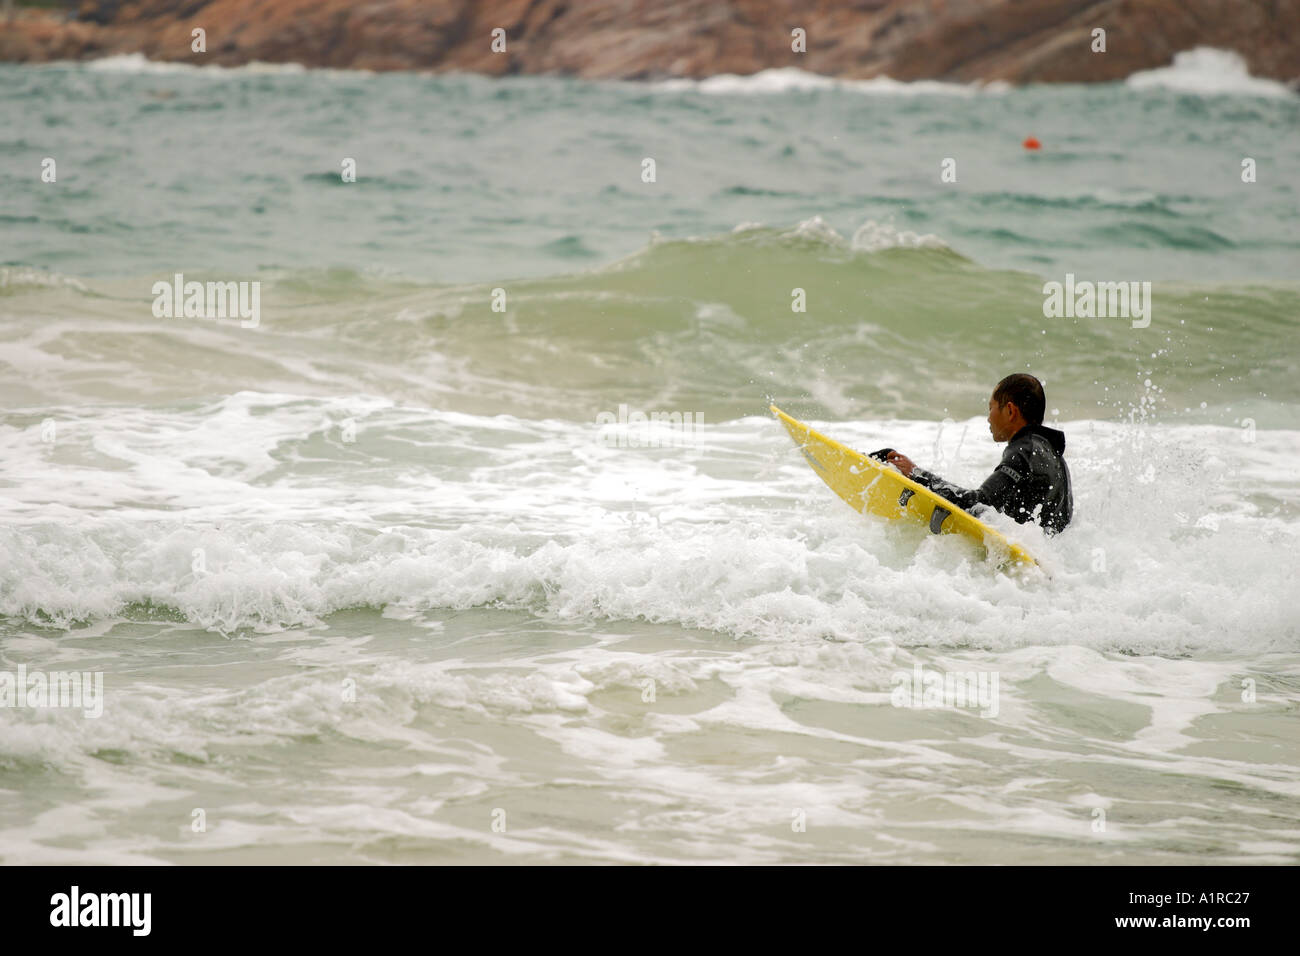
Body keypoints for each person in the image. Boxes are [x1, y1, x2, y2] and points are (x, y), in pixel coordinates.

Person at [874, 373, 1073, 534]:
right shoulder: (1055, 457)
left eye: (991, 408)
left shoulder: (1023, 451)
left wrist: (916, 474)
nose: (988, 419)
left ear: (1010, 411)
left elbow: (979, 502)